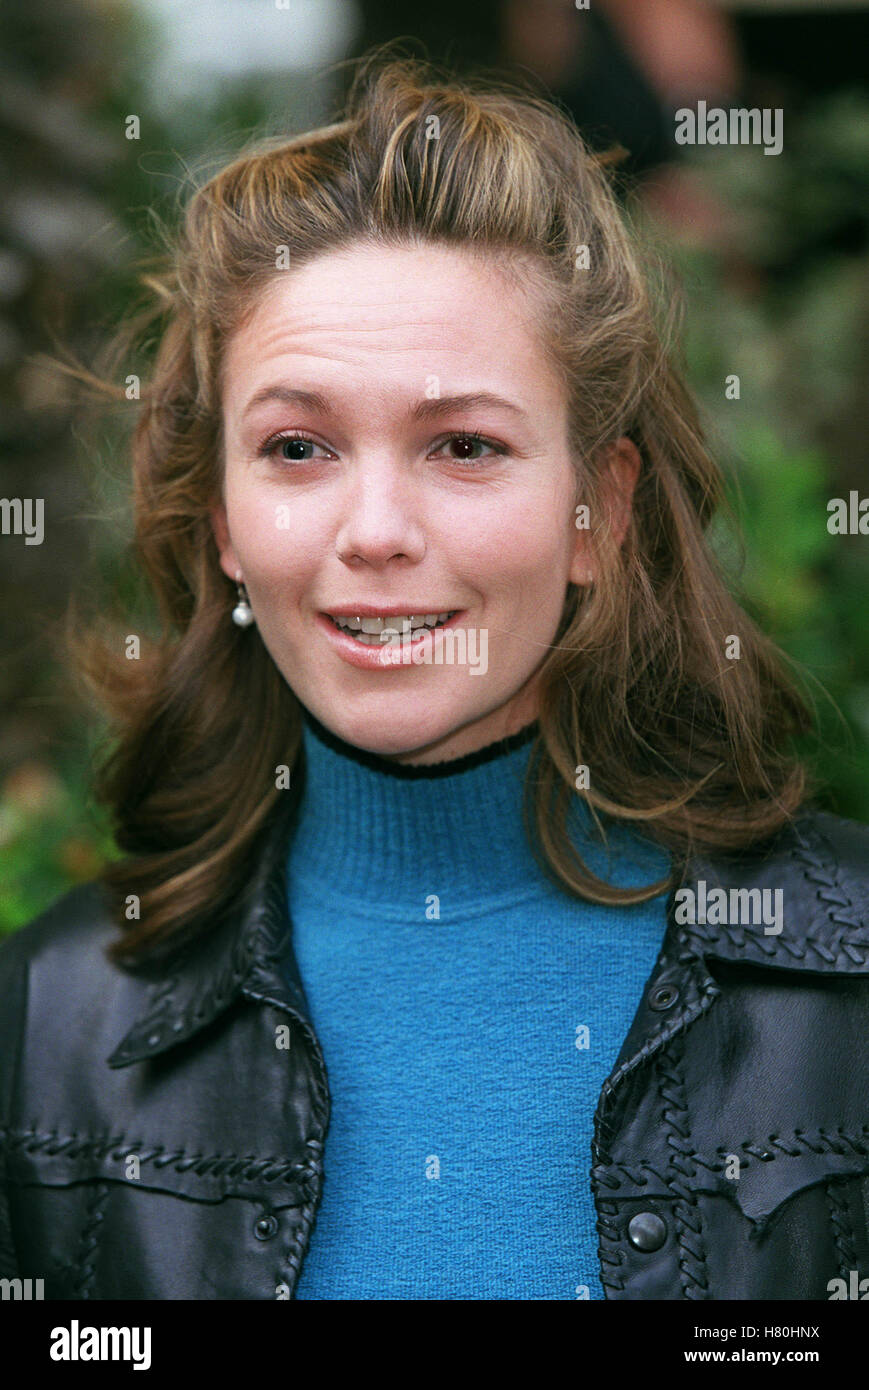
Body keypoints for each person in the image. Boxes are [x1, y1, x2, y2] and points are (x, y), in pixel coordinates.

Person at [1, 50, 868, 1303]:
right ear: (226, 521)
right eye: (297, 447)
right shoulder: (49, 1025)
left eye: (463, 444)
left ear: (595, 508)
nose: (374, 530)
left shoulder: (843, 985)